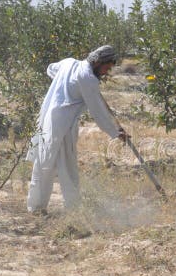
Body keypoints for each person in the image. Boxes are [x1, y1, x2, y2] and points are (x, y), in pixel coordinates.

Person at [26, 45, 129, 213]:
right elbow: (98, 112)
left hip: (47, 120)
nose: (106, 72)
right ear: (97, 62)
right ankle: (72, 210)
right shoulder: (88, 78)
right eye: (106, 67)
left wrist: (65, 81)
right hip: (64, 125)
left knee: (43, 164)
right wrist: (116, 132)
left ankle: (36, 207)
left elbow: (51, 69)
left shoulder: (68, 63)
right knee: (67, 168)